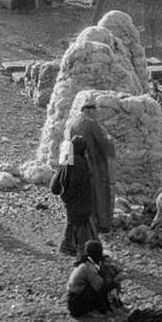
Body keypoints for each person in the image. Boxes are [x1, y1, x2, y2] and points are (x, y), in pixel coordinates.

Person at [67, 99, 116, 233]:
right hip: (93, 164)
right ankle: (102, 223)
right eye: (94, 110)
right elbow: (102, 143)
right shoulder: (91, 123)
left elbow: (71, 145)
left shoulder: (74, 124)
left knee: (84, 194)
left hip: (78, 163)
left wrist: (71, 165)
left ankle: (87, 222)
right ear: (88, 110)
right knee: (99, 192)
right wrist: (111, 142)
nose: (96, 113)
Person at [51, 135, 97, 255]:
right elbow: (77, 182)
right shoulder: (80, 162)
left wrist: (66, 196)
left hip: (71, 198)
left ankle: (69, 245)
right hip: (79, 198)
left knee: (72, 220)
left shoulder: (69, 159)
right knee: (79, 221)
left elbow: (60, 179)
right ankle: (79, 247)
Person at [66, 240, 120, 318]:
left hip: (73, 299)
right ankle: (93, 309)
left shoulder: (87, 262)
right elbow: (100, 286)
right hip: (76, 304)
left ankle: (107, 306)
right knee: (108, 284)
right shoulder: (88, 267)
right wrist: (114, 282)